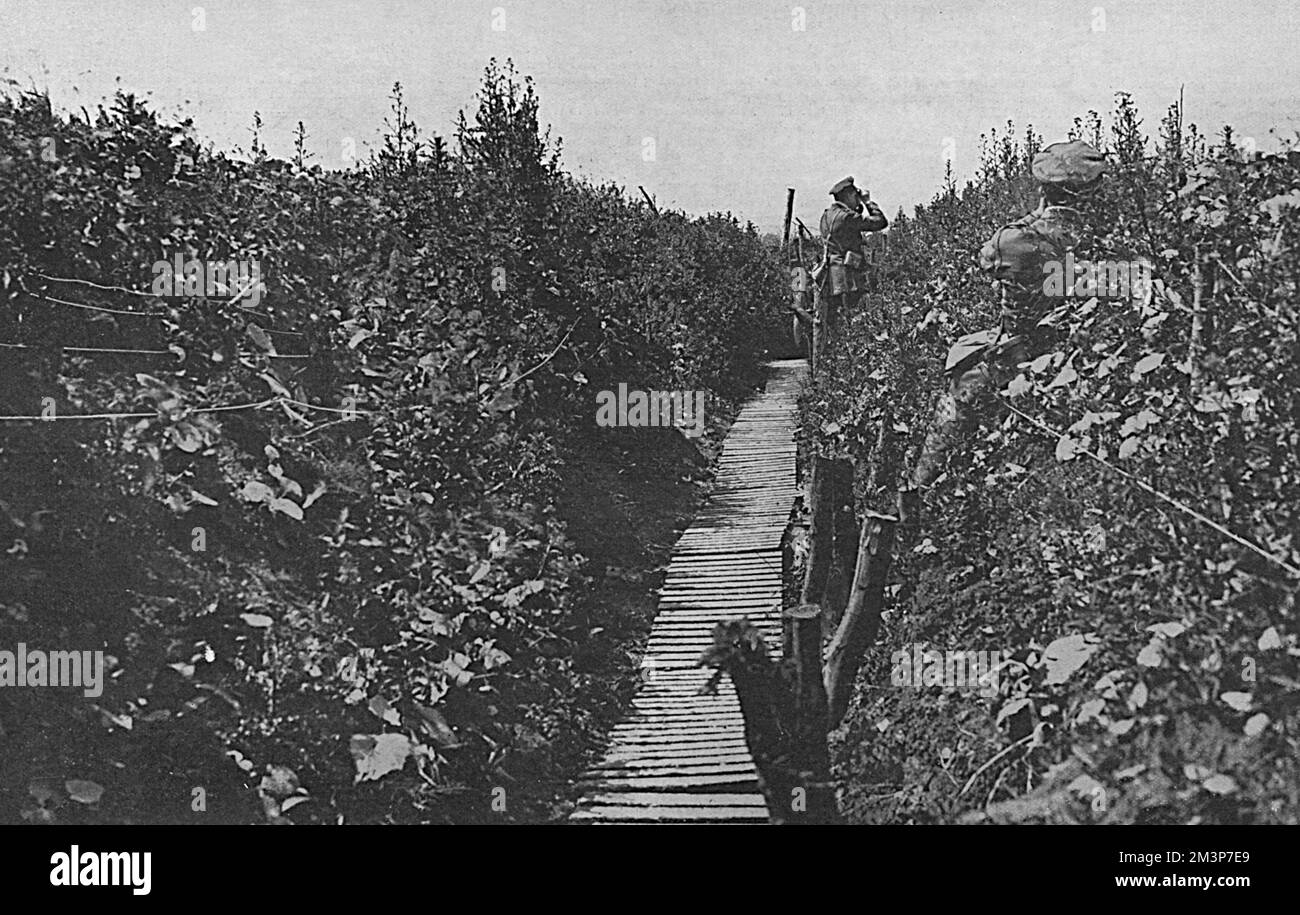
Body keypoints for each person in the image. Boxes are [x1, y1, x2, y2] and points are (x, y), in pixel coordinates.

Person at [900, 140, 1107, 519]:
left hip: (1021, 359)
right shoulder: (1111, 239)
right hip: (1086, 362)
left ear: (1044, 188)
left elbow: (986, 261)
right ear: (1094, 190)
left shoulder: (1013, 240)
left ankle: (917, 495)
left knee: (959, 391)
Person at [812, 176, 888, 371]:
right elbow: (880, 222)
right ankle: (851, 369)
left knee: (835, 324)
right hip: (847, 278)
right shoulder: (846, 217)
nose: (857, 198)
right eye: (855, 194)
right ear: (847, 195)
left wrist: (857, 205)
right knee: (852, 321)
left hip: (831, 277)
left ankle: (832, 368)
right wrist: (868, 202)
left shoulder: (828, 215)